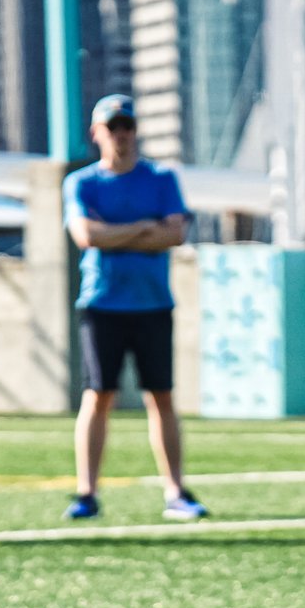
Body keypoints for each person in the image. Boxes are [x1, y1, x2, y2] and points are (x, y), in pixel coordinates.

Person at [63, 94, 206, 522]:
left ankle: (176, 492)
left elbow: (175, 233)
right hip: (102, 302)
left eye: (127, 127)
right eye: (113, 128)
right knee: (98, 394)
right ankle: (87, 492)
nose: (121, 135)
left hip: (152, 303)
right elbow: (86, 235)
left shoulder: (161, 178)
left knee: (160, 396)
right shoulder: (83, 183)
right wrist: (144, 228)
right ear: (97, 133)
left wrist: (120, 233)